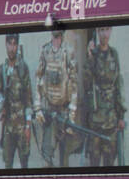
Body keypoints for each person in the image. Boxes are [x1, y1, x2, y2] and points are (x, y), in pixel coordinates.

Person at [33, 28, 78, 168]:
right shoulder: (45, 51)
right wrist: (38, 107)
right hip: (49, 109)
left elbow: (74, 83)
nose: (56, 37)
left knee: (64, 156)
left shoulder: (68, 51)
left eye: (59, 34)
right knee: (47, 154)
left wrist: (71, 114)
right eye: (54, 34)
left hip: (64, 109)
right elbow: (38, 79)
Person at [85, 26, 125, 168]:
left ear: (111, 31)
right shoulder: (92, 55)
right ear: (97, 32)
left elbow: (118, 85)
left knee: (110, 162)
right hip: (95, 121)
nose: (105, 33)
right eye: (101, 30)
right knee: (94, 163)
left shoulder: (114, 54)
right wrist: (89, 58)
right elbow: (86, 84)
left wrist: (121, 116)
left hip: (111, 121)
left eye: (107, 29)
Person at [0, 31, 34, 169]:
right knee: (8, 164)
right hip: (8, 127)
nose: (12, 48)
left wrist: (28, 126)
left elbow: (29, 99)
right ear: (5, 45)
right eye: (9, 44)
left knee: (24, 163)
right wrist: (2, 100)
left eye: (14, 44)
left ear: (17, 46)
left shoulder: (23, 68)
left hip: (22, 126)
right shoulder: (3, 69)